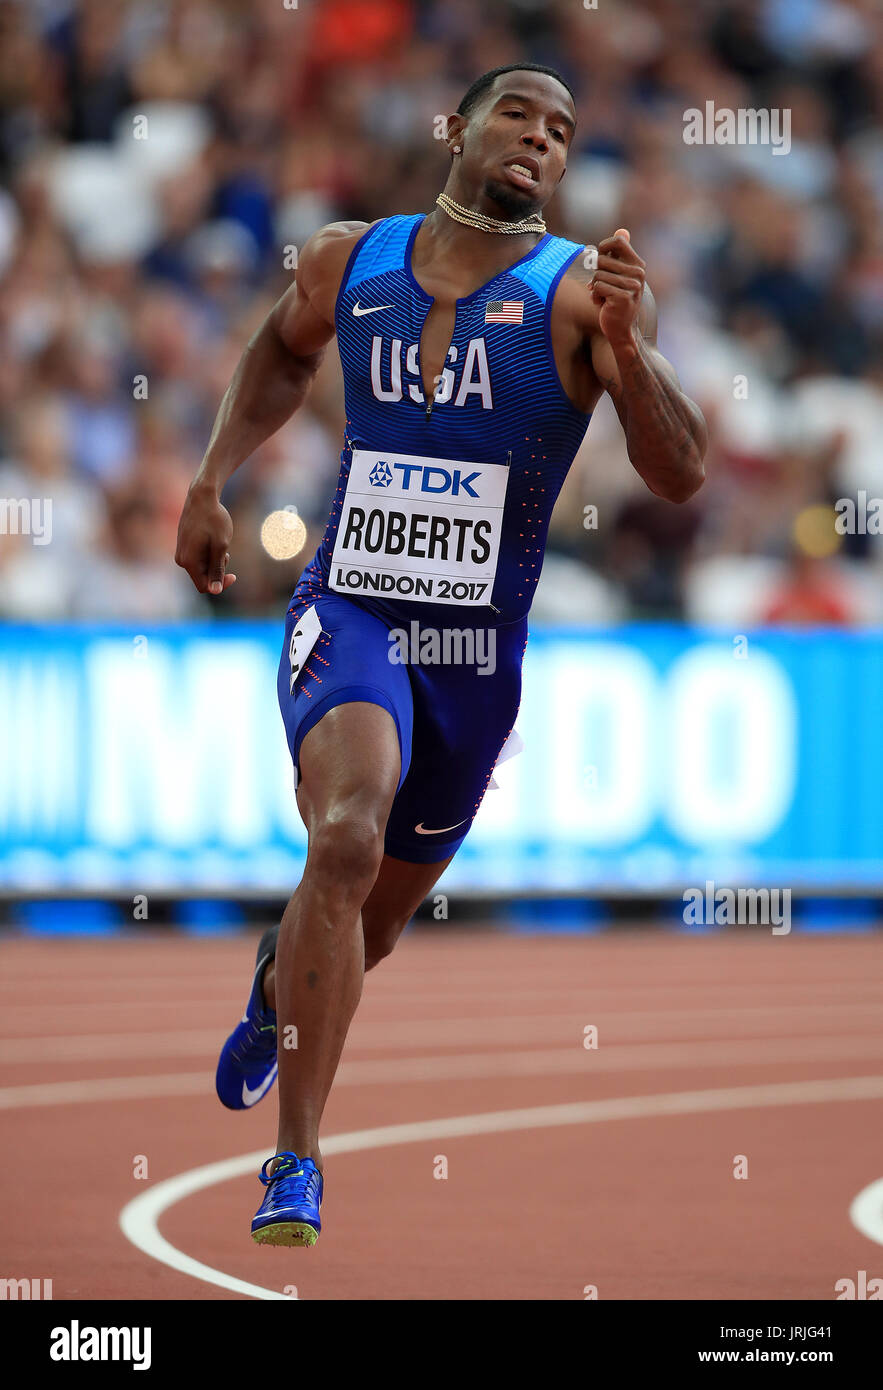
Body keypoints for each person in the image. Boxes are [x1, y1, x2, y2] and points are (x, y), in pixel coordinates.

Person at [174, 62, 708, 1247]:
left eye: (562, 131)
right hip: (351, 608)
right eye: (516, 112)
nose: (539, 138)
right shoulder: (346, 257)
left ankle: (277, 989)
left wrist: (634, 350)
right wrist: (212, 478)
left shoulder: (583, 296)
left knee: (364, 926)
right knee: (347, 834)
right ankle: (296, 1165)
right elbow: (278, 352)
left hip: (474, 655)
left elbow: (679, 473)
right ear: (456, 126)